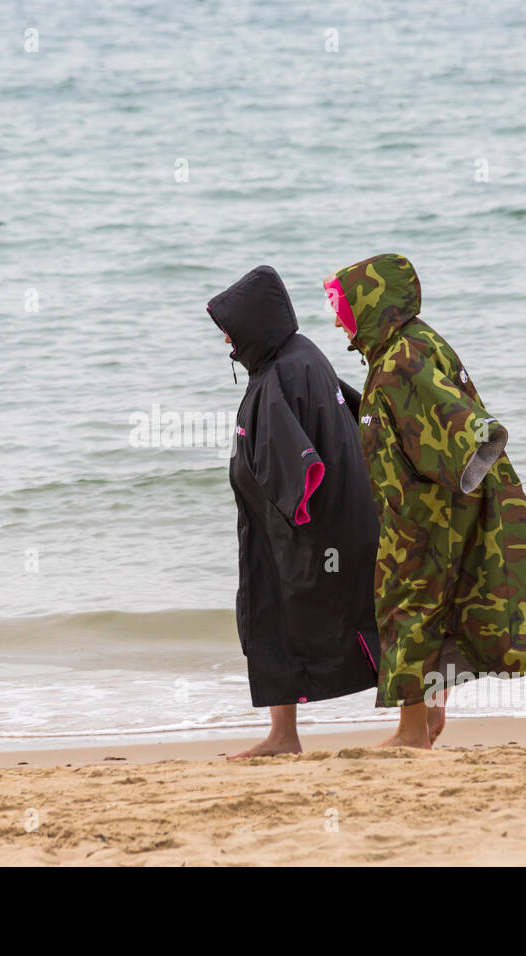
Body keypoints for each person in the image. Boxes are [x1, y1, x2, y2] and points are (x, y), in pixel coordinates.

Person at [323, 253, 526, 748]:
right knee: (473, 601)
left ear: (371, 301)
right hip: (434, 500)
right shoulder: (402, 346)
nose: (339, 318)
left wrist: (480, 438)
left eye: (343, 306)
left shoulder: (403, 355)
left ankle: (412, 732)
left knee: (407, 608)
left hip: (427, 509)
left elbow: (450, 411)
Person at [207, 265, 384, 757]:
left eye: (231, 326)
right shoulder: (296, 357)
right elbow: (353, 408)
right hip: (288, 527)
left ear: (255, 322)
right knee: (277, 620)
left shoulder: (285, 371)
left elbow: (301, 455)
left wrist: (301, 511)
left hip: (302, 532)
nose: (226, 338)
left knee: (299, 618)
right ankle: (283, 735)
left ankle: (421, 715)